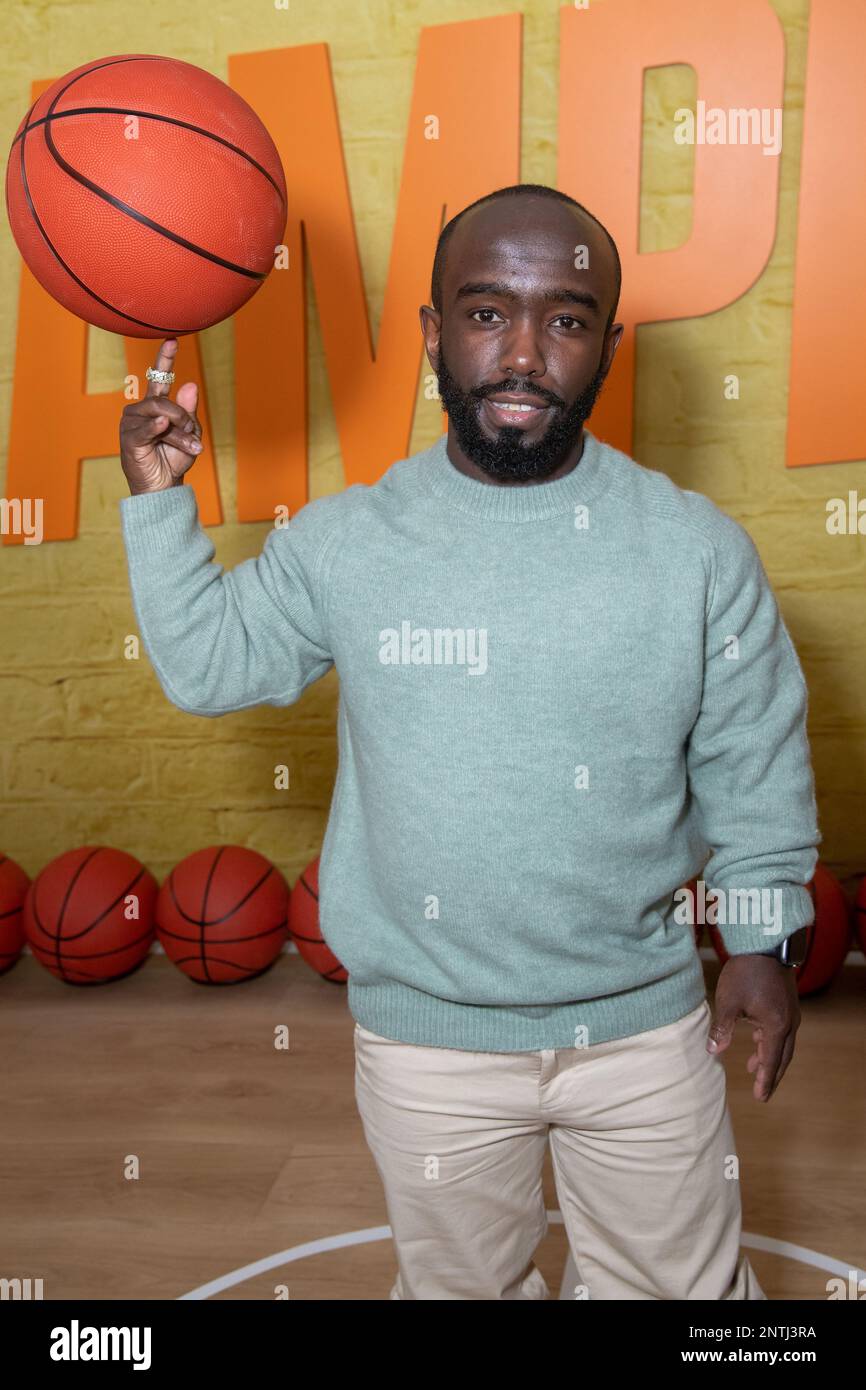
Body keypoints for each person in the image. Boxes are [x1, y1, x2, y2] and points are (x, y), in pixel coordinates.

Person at [118, 183, 821, 1301]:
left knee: (684, 1303)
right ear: (431, 331)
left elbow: (752, 763)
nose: (524, 353)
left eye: (567, 318)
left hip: (640, 1027)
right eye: (487, 313)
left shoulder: (692, 549)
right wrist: (159, 504)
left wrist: (759, 941)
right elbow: (209, 664)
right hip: (425, 1040)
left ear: (607, 344)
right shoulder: (350, 541)